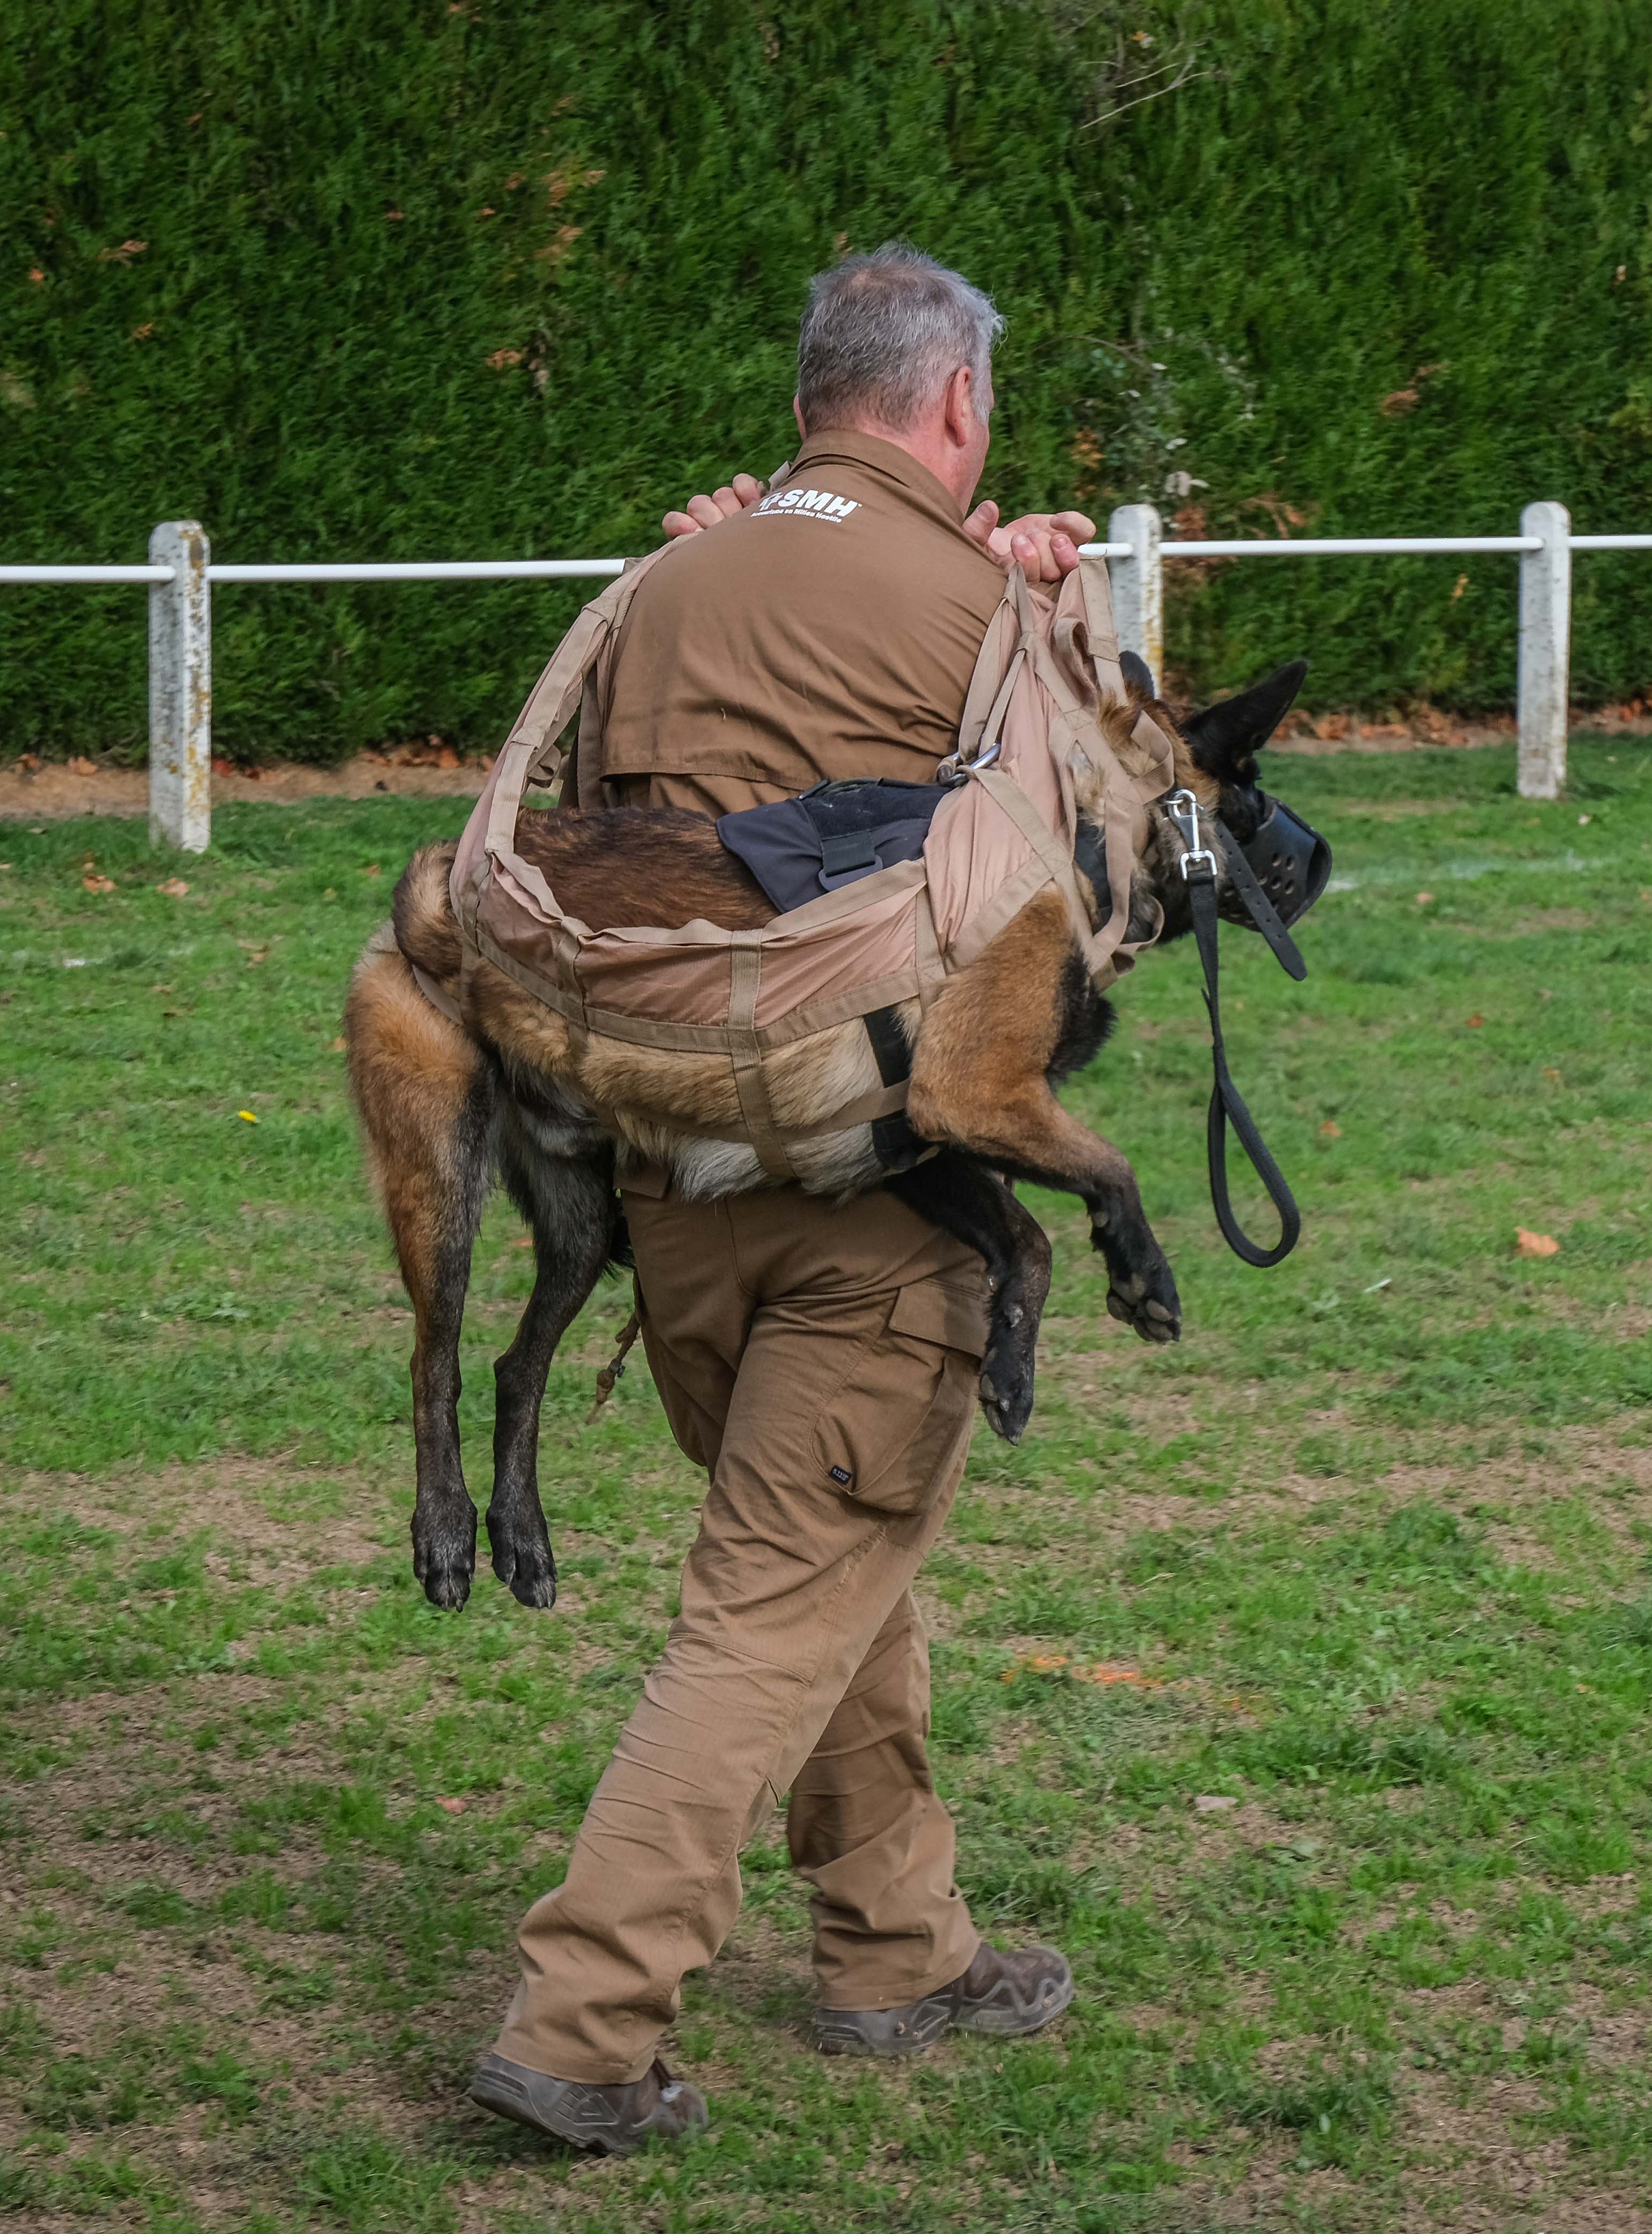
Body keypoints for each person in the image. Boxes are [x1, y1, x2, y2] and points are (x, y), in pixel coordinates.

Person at [466, 245, 1096, 2159]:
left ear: (814, 392)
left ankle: (897, 1945)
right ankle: (582, 2025)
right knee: (768, 1611)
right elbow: (1085, 897)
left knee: (825, 1565)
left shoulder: (664, 581)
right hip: (879, 1206)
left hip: (664, 1194)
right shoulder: (984, 609)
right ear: (960, 405)